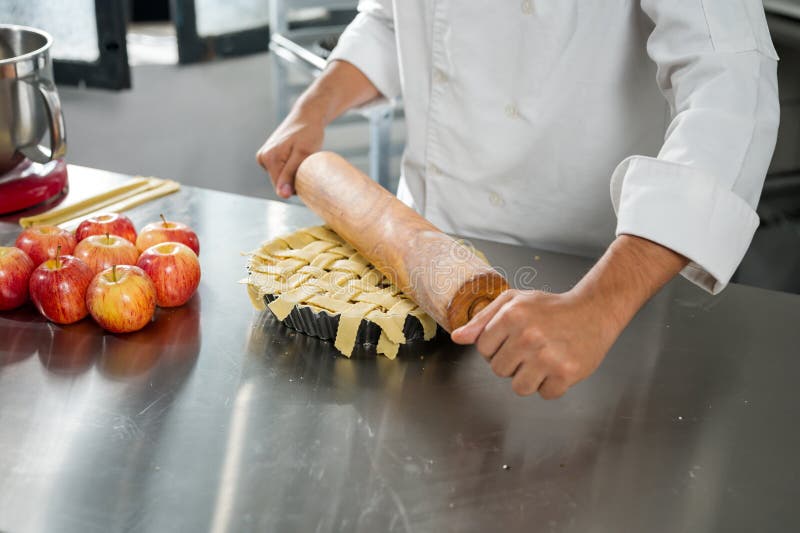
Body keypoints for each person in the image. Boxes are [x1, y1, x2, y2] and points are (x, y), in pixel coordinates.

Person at [257, 1, 779, 399]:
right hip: (416, 255)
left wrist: (597, 306)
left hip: (587, 288)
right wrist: (314, 107)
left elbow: (731, 81)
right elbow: (390, 19)